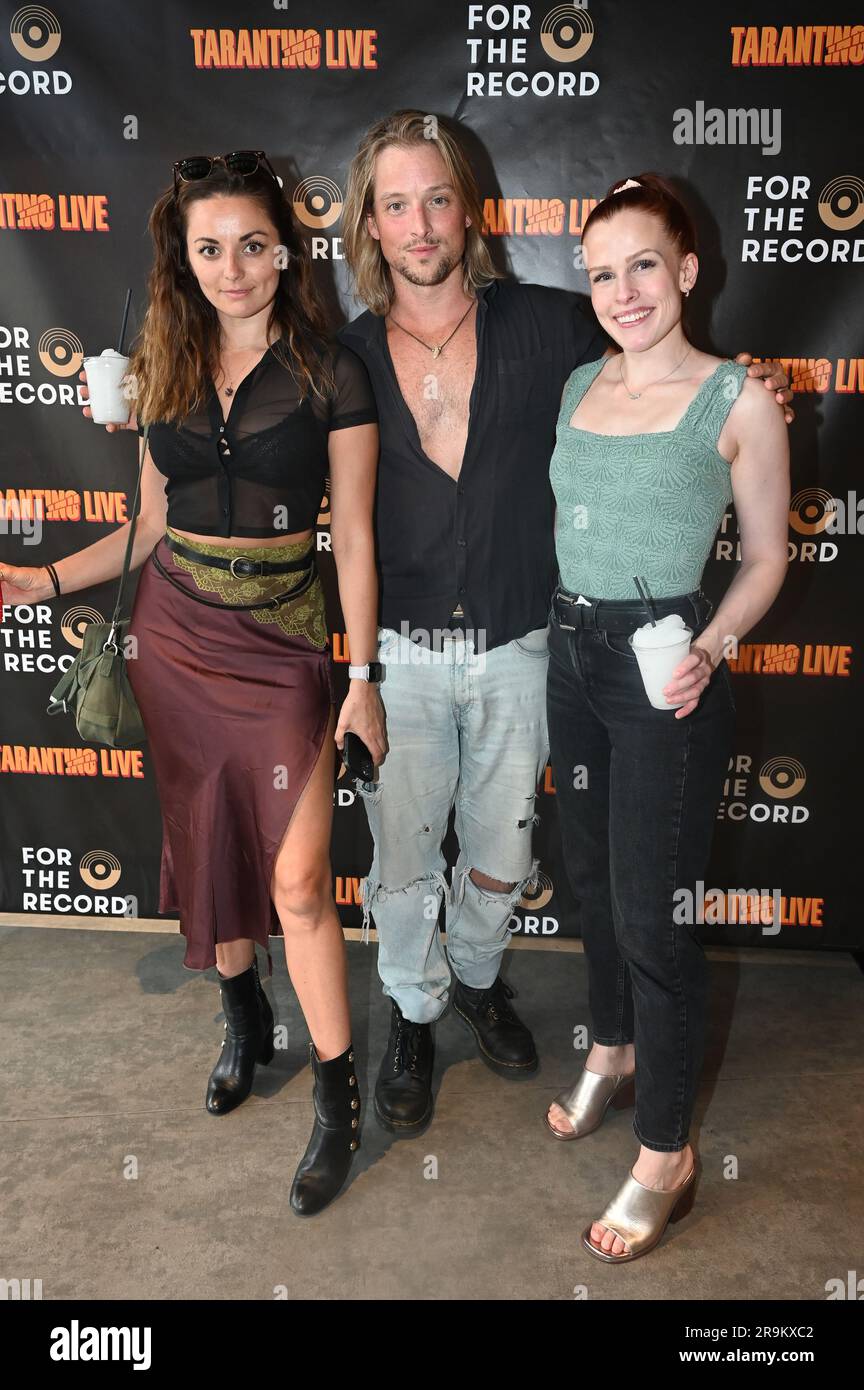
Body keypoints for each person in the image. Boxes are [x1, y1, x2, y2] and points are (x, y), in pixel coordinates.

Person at [336, 110, 793, 1137]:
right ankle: (414, 1012)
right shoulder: (343, 356)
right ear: (370, 220)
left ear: (470, 211)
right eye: (397, 203)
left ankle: (484, 979)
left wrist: (754, 388)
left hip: (526, 647)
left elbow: (664, 365)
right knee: (404, 855)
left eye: (439, 198)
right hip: (402, 652)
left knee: (504, 846)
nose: (421, 224)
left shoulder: (555, 326)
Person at [0, 149, 385, 1217]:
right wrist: (38, 579)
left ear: (284, 249)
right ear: (184, 254)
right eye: (209, 248)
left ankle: (338, 1098)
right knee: (204, 841)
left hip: (286, 639)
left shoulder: (330, 371)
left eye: (252, 245)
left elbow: (351, 537)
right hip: (174, 637)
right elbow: (151, 526)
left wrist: (363, 678)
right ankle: (242, 1017)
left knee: (301, 880)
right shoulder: (161, 366)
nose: (233, 268)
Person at [543, 173, 790, 1262]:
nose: (623, 290)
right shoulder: (576, 385)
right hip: (570, 650)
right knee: (591, 881)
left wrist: (710, 647)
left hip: (664, 667)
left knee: (654, 916)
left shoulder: (739, 400)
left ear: (687, 270)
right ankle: (614, 1046)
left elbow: (770, 555)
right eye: (601, 272)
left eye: (644, 264)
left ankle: (665, 1154)